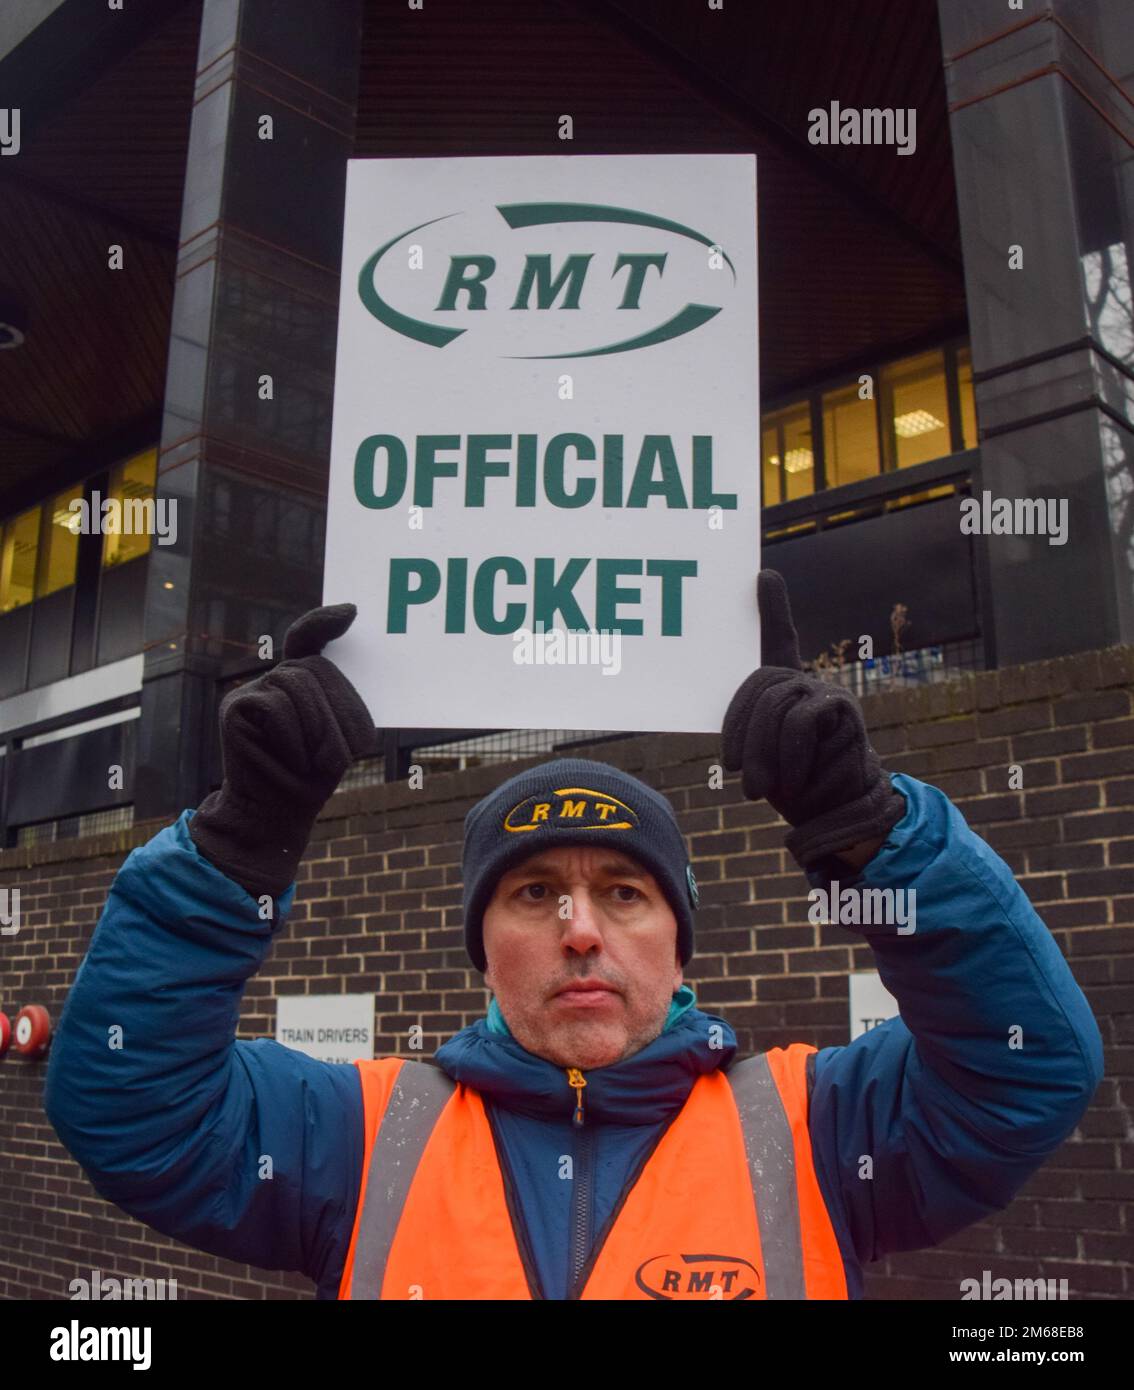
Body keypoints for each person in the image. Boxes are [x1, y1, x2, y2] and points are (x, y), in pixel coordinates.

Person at [43, 572, 1103, 1299]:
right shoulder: (361, 1138)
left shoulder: (821, 1128)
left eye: (627, 893)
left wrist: (878, 838)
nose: (581, 929)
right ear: (483, 945)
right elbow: (130, 1110)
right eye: (534, 891)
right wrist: (240, 844)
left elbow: (1028, 1071)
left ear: (681, 942)